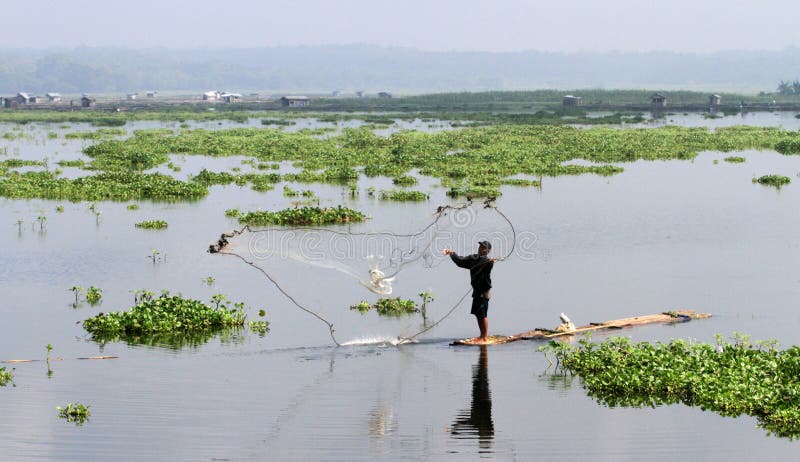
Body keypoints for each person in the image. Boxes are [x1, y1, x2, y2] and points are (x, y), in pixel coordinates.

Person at [443, 241, 495, 343]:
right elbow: (460, 261)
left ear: (487, 251)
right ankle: (481, 336)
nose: (480, 248)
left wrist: (491, 264)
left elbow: (488, 270)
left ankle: (484, 337)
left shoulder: (488, 261)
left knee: (482, 314)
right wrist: (451, 253)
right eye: (480, 246)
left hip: (483, 291)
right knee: (477, 313)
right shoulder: (473, 258)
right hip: (476, 291)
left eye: (483, 247)